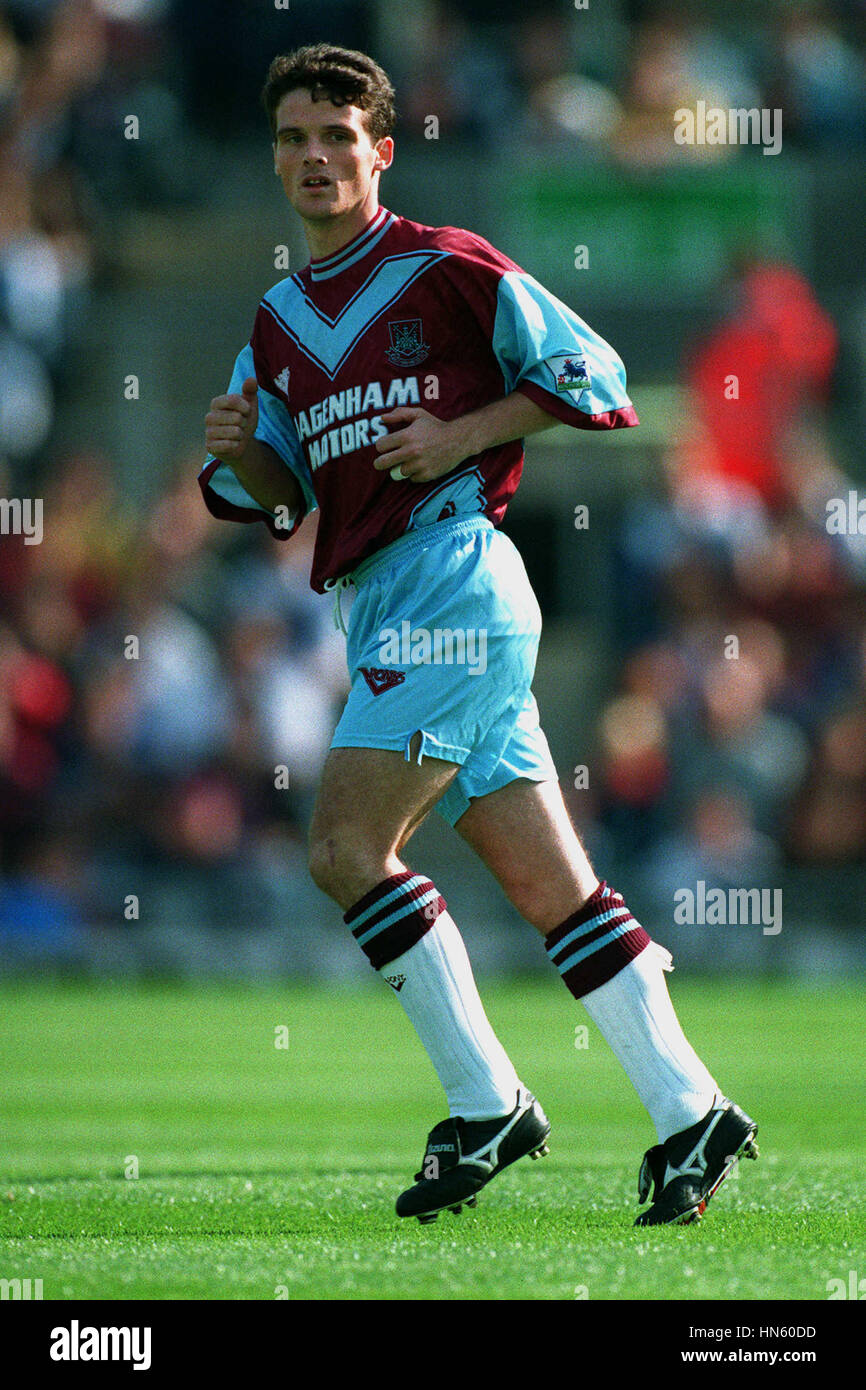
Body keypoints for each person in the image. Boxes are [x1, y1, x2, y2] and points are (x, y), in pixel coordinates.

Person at [200, 43, 758, 1226]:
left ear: (380, 153)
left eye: (338, 137)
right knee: (554, 888)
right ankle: (689, 1110)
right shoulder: (278, 321)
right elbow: (275, 494)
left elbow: (592, 373)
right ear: (275, 157)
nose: (314, 156)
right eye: (295, 137)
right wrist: (241, 442)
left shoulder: (441, 265)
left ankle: (486, 1099)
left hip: (455, 578)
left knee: (345, 849)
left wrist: (465, 433)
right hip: (376, 601)